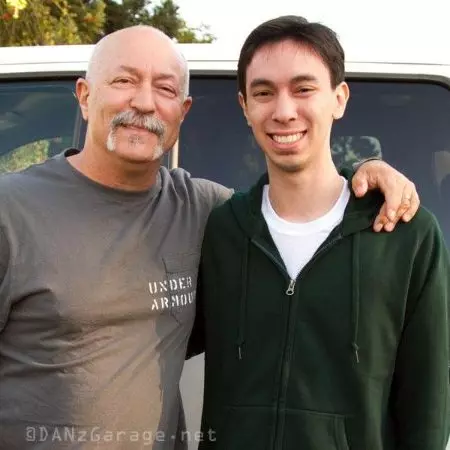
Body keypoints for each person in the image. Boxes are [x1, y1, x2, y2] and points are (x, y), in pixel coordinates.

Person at [0, 25, 419, 450]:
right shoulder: (11, 210)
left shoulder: (204, 209)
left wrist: (367, 176)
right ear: (85, 96)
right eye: (124, 81)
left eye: (164, 89)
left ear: (182, 111)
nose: (144, 102)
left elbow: (298, 204)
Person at [194, 16, 450, 450]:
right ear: (244, 106)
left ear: (339, 97)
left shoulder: (406, 233)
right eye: (263, 92)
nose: (283, 110)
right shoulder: (221, 229)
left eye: (303, 88)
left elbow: (427, 408)